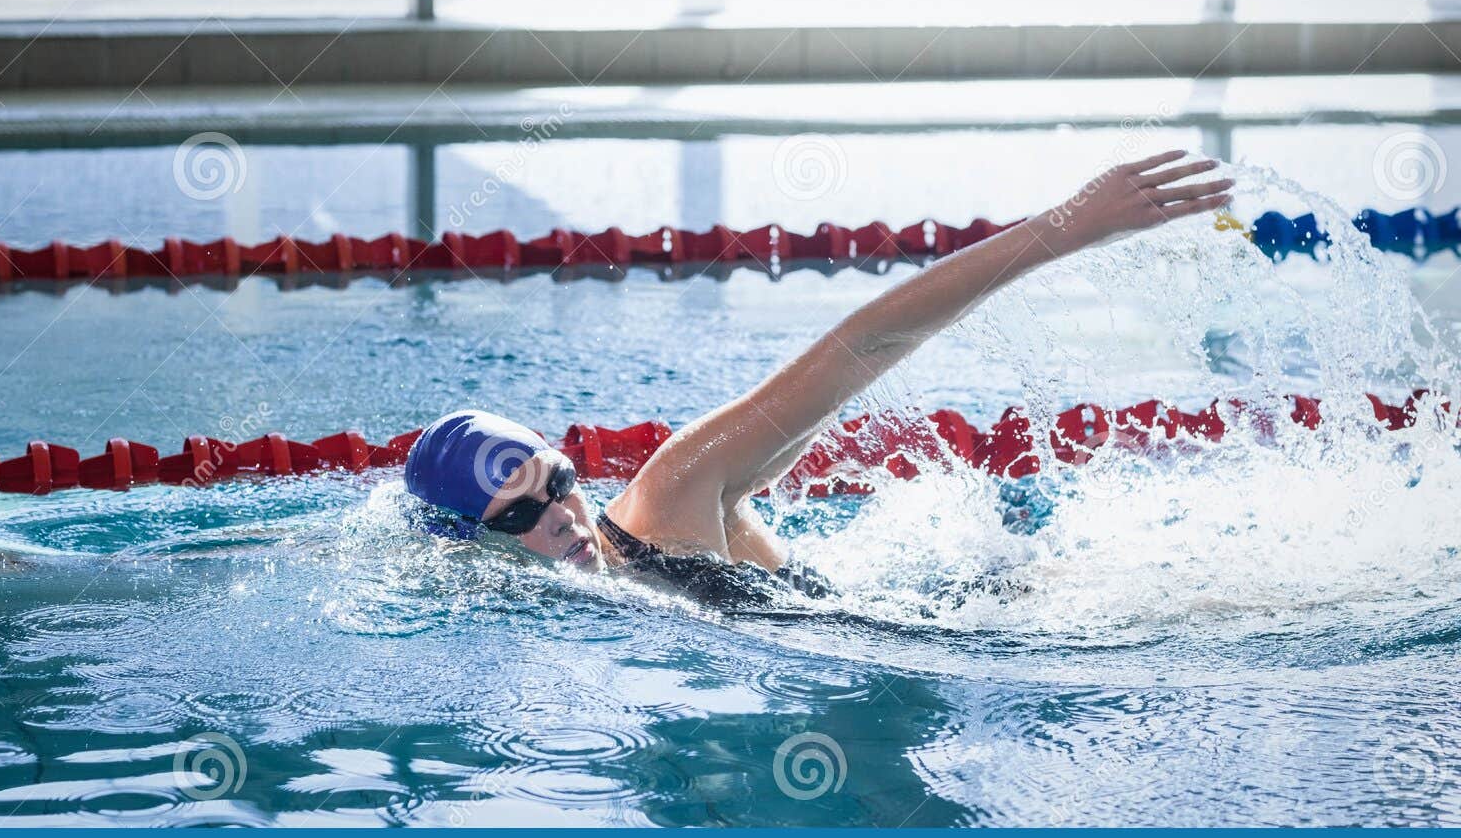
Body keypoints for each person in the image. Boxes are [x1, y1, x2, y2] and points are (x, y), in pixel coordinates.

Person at [403, 151, 1233, 601]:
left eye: (559, 483)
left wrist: (1064, 227)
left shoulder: (667, 499)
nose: (561, 519)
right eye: (518, 517)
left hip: (994, 616)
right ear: (468, 545)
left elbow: (857, 349)